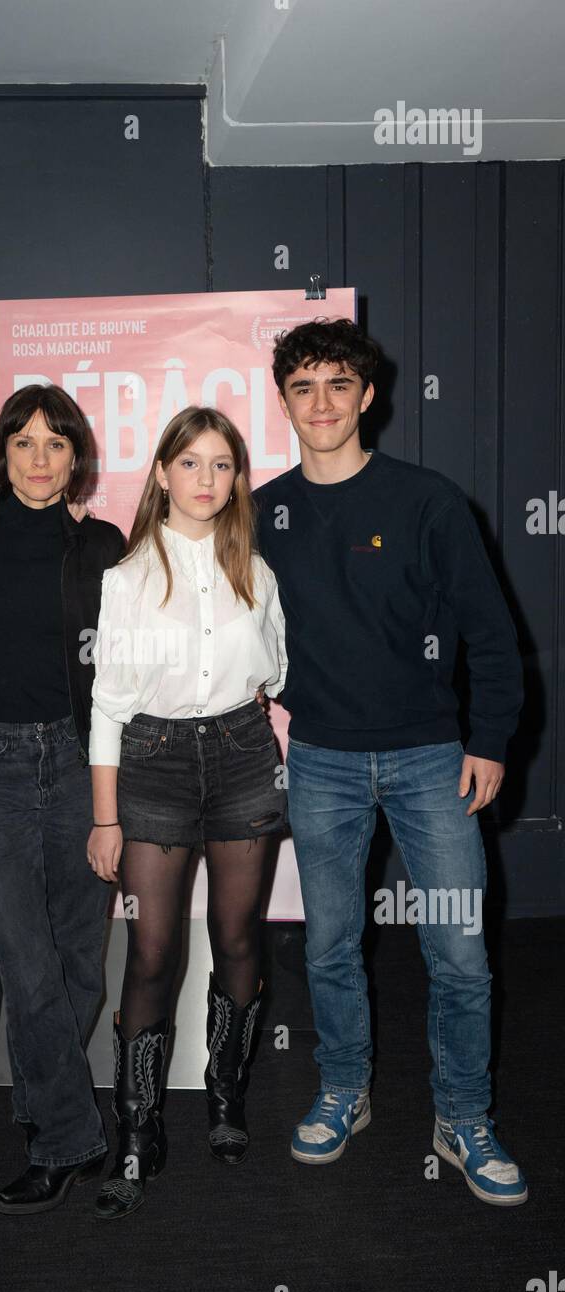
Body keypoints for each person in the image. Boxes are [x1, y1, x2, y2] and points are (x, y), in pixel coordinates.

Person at [254, 317, 527, 1206]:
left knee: (458, 950)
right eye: (304, 387)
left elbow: (491, 634)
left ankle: (464, 1115)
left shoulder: (429, 502)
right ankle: (344, 1091)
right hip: (323, 764)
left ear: (368, 396)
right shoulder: (263, 513)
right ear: (284, 401)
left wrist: (489, 739)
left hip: (432, 764)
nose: (322, 403)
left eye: (339, 385)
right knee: (330, 946)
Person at [87, 405, 287, 1221]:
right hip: (153, 767)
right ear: (163, 473)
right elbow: (107, 705)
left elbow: (274, 669)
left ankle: (226, 1097)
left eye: (222, 465)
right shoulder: (128, 578)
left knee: (240, 937)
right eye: (191, 463)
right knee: (152, 951)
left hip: (244, 755)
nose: (207, 480)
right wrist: (106, 819)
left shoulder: (257, 572)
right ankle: (137, 1129)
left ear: (236, 478)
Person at [0, 383, 125, 1215]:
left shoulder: (106, 546)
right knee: (25, 956)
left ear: (76, 456)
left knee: (82, 957)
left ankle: (40, 1105)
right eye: (25, 442)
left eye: (57, 444)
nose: (41, 460)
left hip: (82, 761)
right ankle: (68, 1140)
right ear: (2, 452)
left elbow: (127, 664)